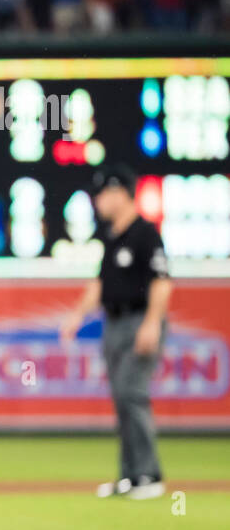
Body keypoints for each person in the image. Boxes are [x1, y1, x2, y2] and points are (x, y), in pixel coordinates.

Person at [60, 164, 171, 500]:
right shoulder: (112, 237)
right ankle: (130, 476)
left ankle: (150, 475)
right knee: (122, 400)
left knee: (131, 394)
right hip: (115, 322)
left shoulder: (145, 233)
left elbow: (162, 282)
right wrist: (77, 315)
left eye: (103, 194)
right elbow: (100, 284)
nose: (98, 202)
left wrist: (152, 323)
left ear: (121, 193)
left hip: (140, 320)